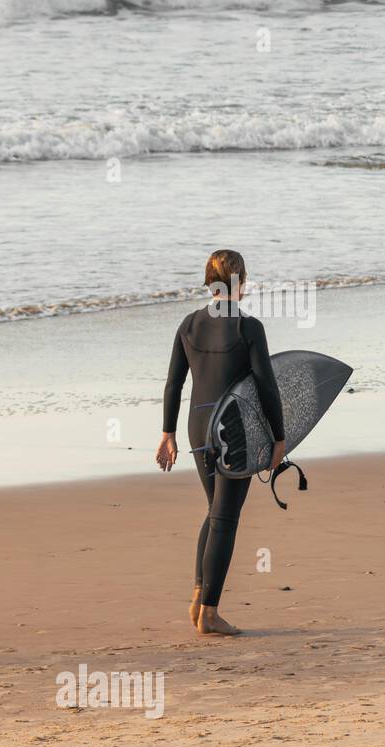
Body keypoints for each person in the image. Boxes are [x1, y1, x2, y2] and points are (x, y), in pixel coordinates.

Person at [156, 250, 285, 636]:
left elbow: (174, 384)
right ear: (240, 281)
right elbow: (266, 386)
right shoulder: (248, 328)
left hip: (198, 427)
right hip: (233, 428)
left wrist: (167, 434)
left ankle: (199, 599)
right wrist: (279, 438)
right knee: (225, 519)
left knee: (216, 512)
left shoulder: (189, 325)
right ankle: (209, 614)